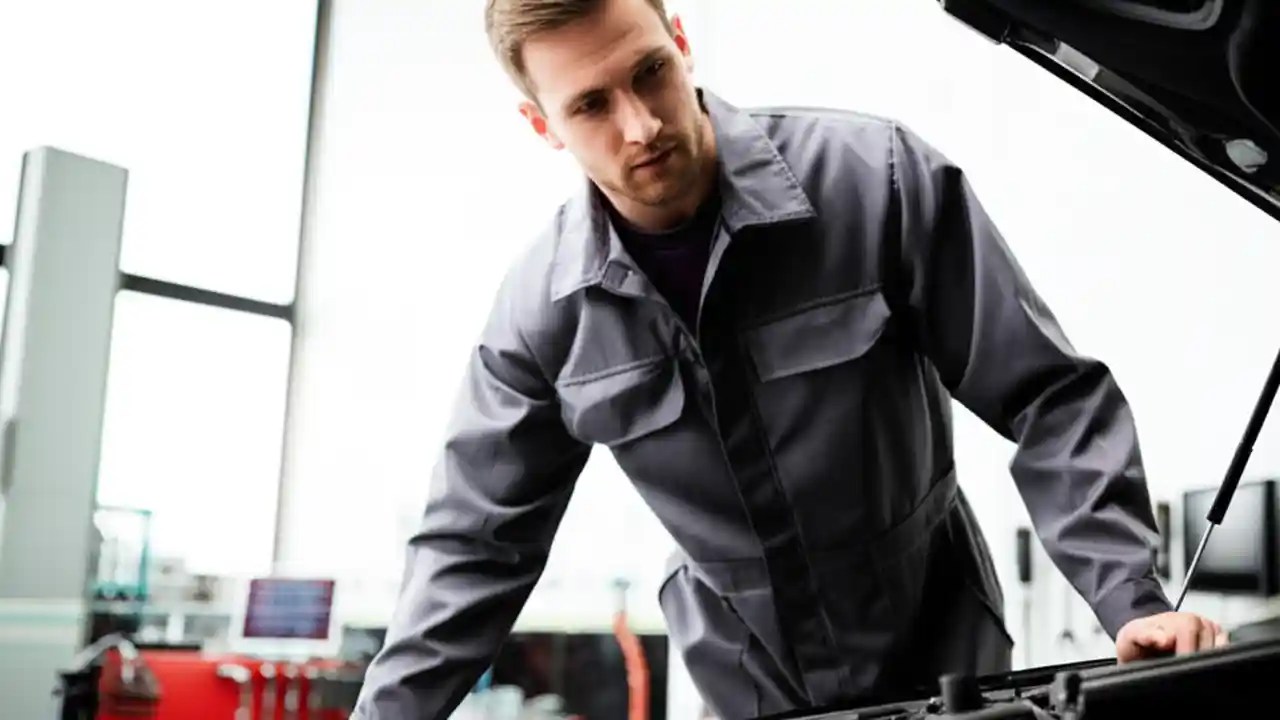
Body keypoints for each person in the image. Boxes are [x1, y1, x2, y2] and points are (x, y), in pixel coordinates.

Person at [351, 1, 1228, 717]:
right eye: (590, 105)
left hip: (943, 645)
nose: (642, 123)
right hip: (747, 680)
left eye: (650, 71)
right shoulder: (541, 317)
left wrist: (1132, 602)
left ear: (681, 40)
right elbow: (474, 548)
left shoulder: (876, 181)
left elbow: (1049, 396)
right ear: (542, 124)